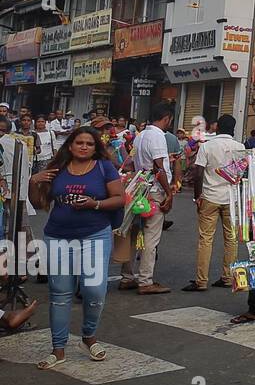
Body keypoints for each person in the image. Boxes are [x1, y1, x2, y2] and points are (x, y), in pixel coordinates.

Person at [27, 127, 125, 369]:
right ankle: (58, 349)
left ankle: (88, 337)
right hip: (58, 237)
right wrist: (32, 182)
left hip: (94, 235)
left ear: (95, 147)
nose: (84, 147)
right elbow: (40, 203)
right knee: (59, 294)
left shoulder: (104, 167)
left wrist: (95, 204)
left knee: (94, 291)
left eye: (89, 143)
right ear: (69, 145)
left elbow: (119, 198)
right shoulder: (57, 169)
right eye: (79, 142)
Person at [121, 103, 175, 295]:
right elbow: (159, 167)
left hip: (138, 188)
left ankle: (127, 277)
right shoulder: (158, 136)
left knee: (133, 233)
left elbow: (129, 162)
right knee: (151, 236)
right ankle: (145, 281)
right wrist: (169, 193)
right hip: (154, 189)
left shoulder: (141, 135)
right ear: (167, 118)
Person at [184, 113, 242, 291]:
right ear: (233, 128)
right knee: (231, 239)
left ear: (217, 127)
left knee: (205, 239)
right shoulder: (240, 147)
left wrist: (197, 196)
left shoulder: (207, 147)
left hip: (210, 196)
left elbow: (198, 173)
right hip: (231, 198)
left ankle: (201, 280)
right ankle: (227, 277)